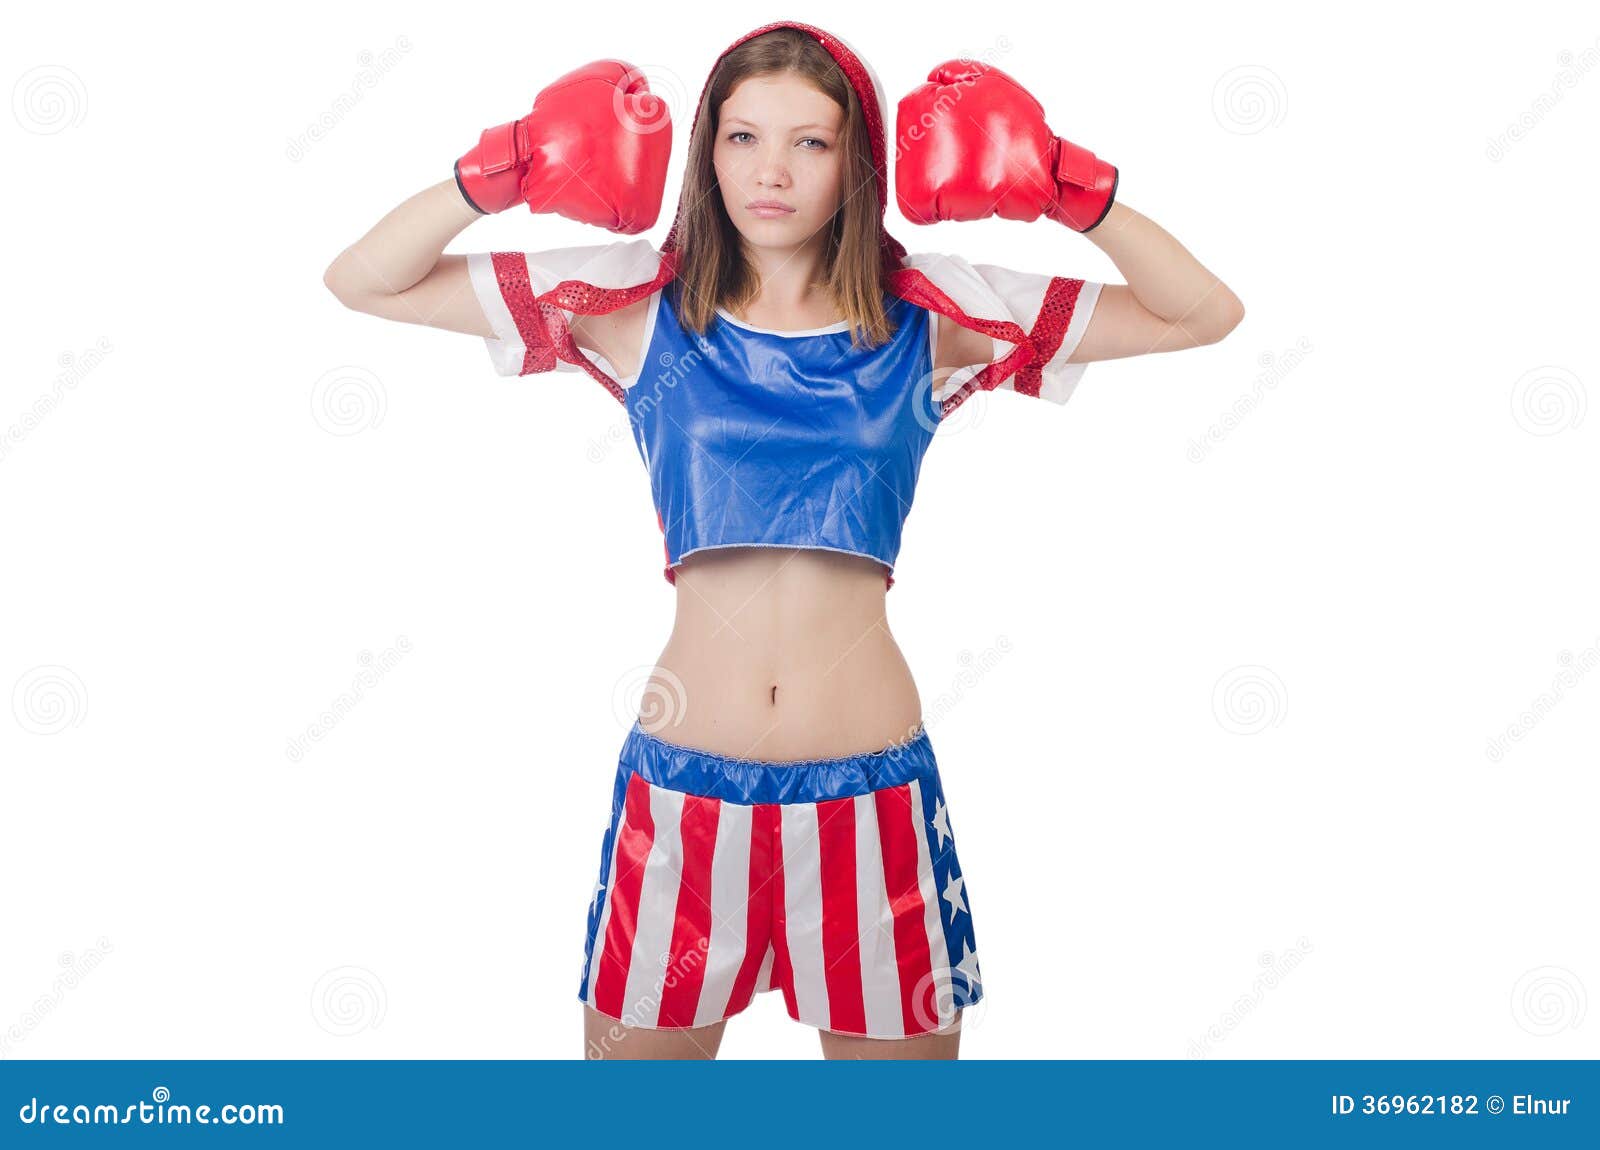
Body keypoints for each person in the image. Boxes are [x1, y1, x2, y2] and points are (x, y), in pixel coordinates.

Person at [323, 21, 1243, 1060]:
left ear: (858, 165)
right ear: (704, 154)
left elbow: (1201, 313)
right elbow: (364, 281)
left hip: (869, 790)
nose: (771, 171)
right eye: (742, 137)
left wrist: (1069, 187)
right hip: (682, 791)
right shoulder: (635, 304)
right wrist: (509, 165)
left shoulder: (932, 314)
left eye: (809, 143)